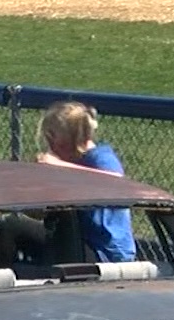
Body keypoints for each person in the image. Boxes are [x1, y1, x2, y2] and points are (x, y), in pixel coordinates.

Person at [35, 101, 137, 263]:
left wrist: (59, 165)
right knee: (13, 228)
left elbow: (115, 180)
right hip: (78, 239)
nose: (51, 145)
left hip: (105, 252)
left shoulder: (100, 157)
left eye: (52, 137)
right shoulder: (73, 161)